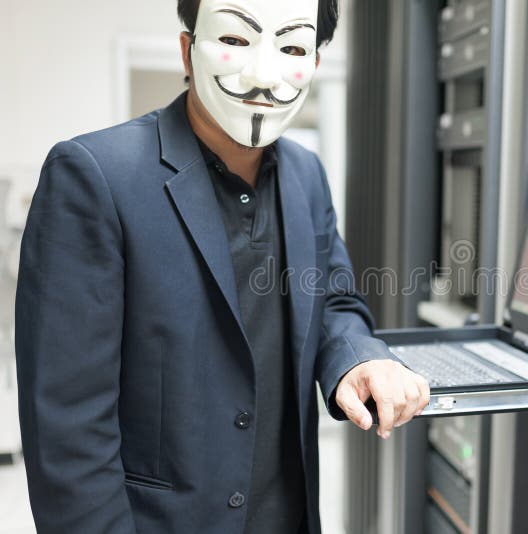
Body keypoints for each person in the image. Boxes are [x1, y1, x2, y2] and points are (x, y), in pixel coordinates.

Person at [14, 0, 430, 532]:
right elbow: (68, 435)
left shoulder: (307, 175)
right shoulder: (95, 176)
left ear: (316, 65)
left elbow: (333, 302)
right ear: (187, 50)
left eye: (293, 47)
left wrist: (359, 358)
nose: (262, 74)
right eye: (234, 40)